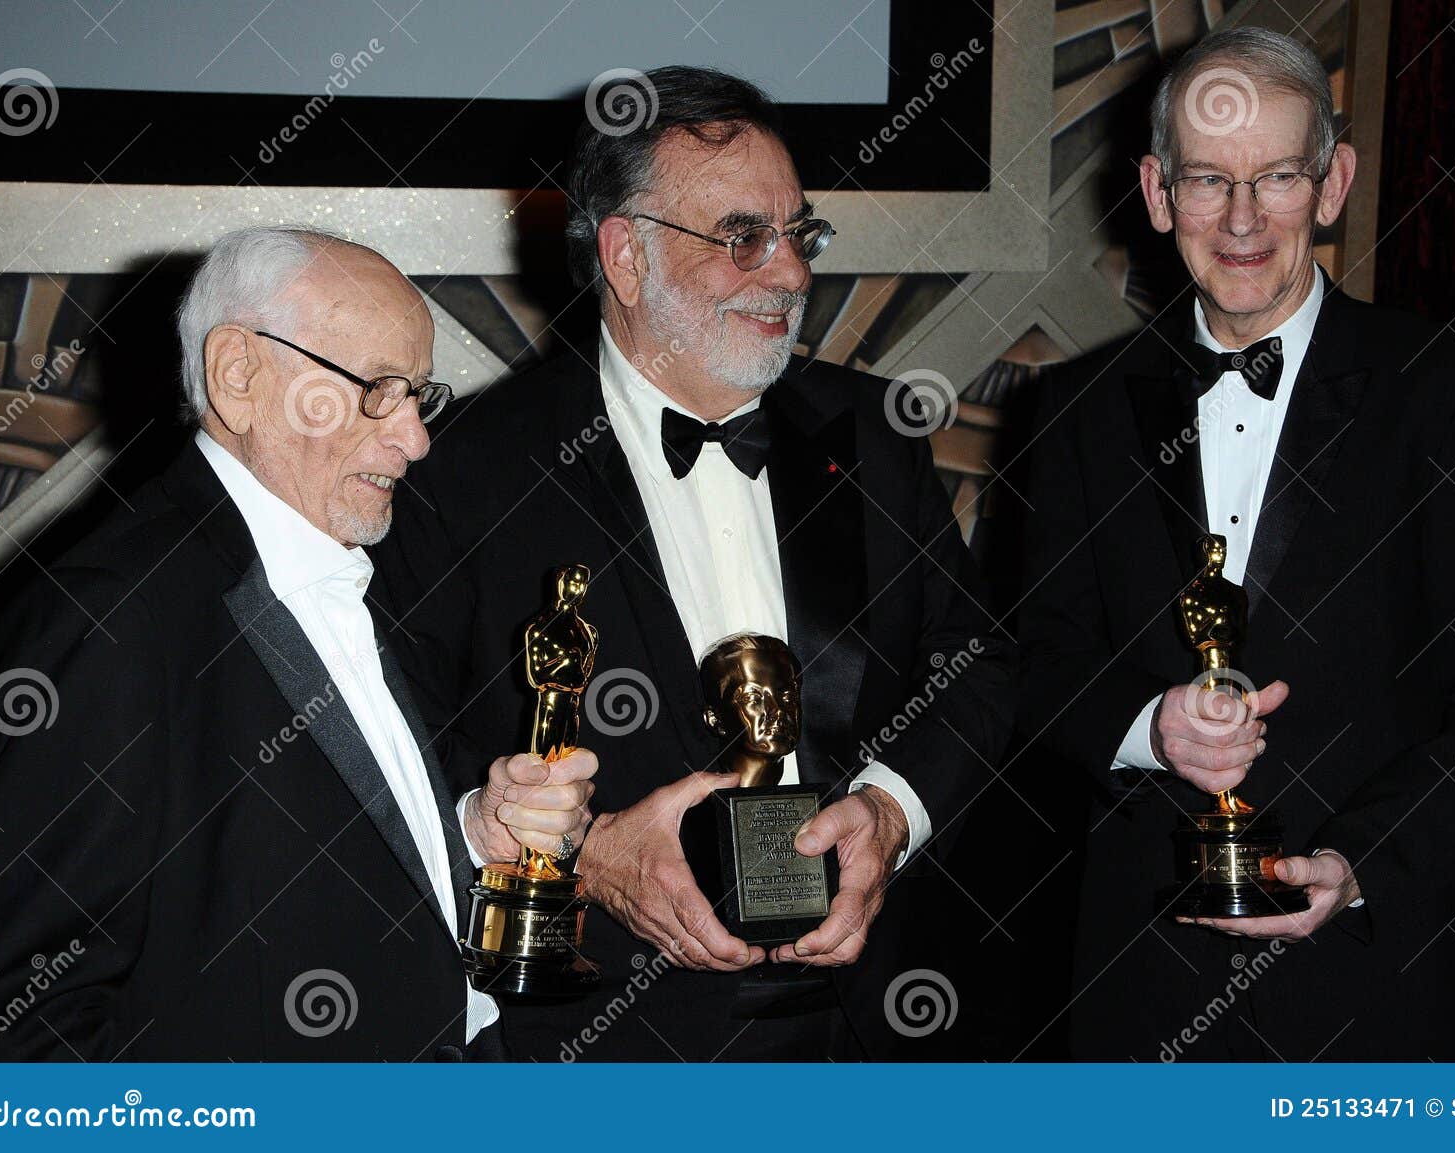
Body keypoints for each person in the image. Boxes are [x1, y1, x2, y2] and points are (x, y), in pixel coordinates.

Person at [372, 66, 1013, 1060]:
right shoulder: (467, 472)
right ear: (626, 257)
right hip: (606, 1043)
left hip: (879, 1025)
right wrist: (579, 854)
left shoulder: (872, 435)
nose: (792, 274)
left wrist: (891, 813)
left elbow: (974, 663)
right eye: (743, 237)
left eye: (799, 235)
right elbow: (395, 741)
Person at [1018, 27, 1455, 1060]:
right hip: (1133, 1000)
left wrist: (1361, 860)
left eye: (1275, 177)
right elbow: (1035, 662)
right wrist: (1146, 726)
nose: (1239, 220)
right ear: (1153, 190)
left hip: (1375, 999)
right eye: (1205, 181)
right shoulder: (1073, 409)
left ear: (1331, 182)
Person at [0, 227, 596, 1060]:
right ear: (239, 375)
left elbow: (311, 862)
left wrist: (474, 837)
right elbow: (12, 1018)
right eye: (378, 388)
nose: (415, 439)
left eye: (418, 395)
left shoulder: (345, 569)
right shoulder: (109, 617)